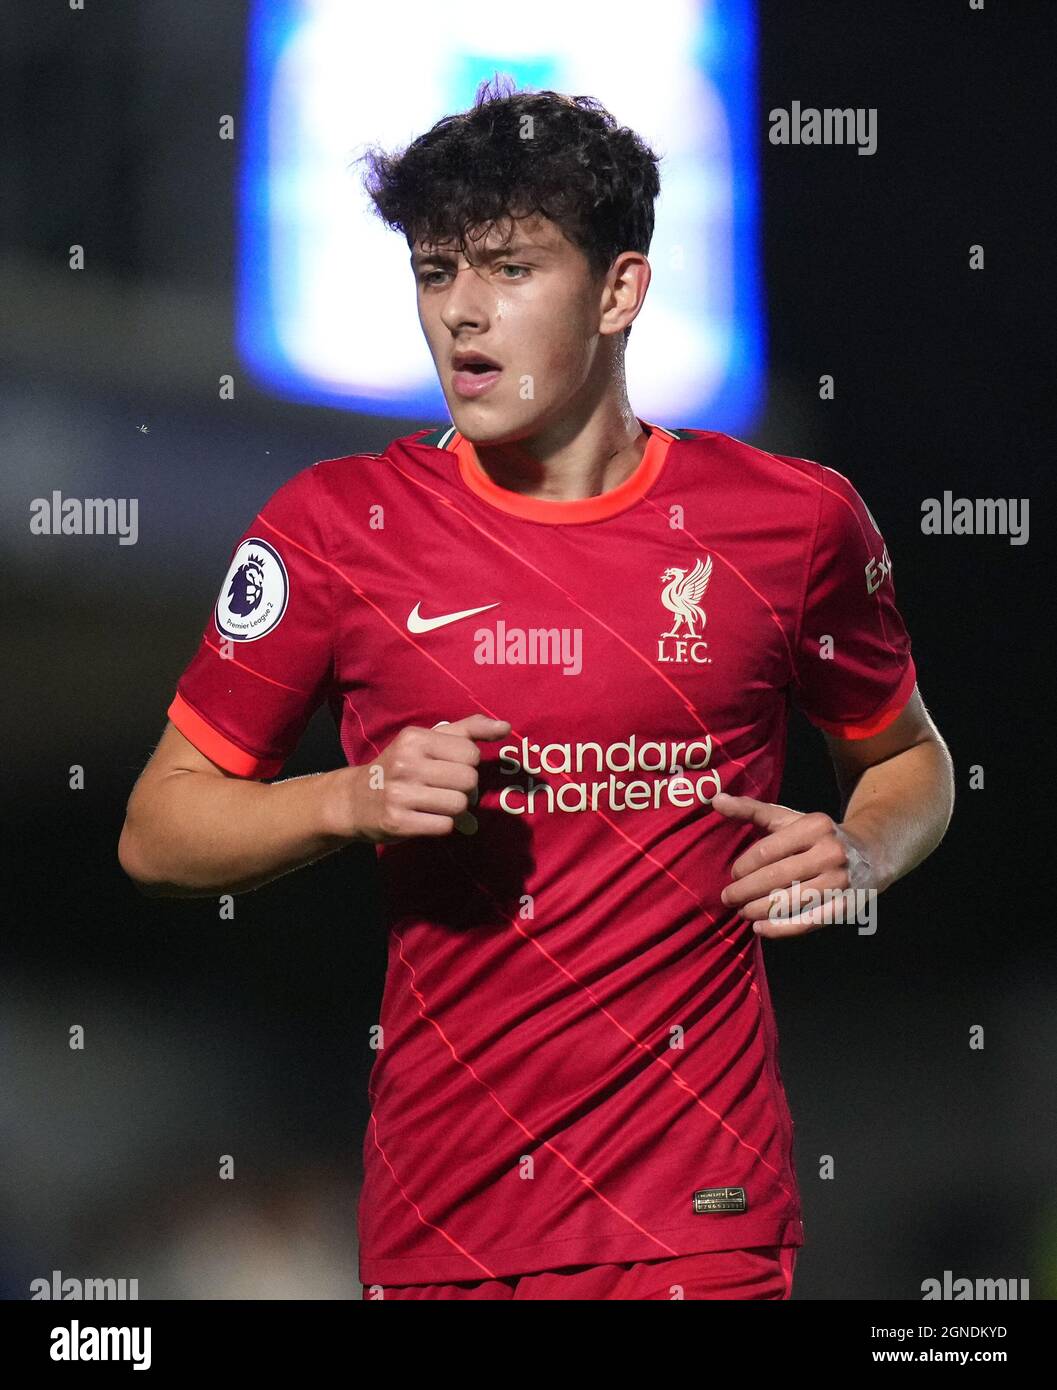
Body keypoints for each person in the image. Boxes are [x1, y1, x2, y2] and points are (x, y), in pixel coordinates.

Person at [118, 76, 954, 1301]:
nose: (462, 314)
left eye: (510, 269)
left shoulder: (792, 522)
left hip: (699, 1217)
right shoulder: (336, 528)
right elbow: (155, 830)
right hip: (442, 1221)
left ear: (619, 290)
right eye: (435, 270)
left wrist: (864, 854)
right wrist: (350, 798)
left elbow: (907, 759)